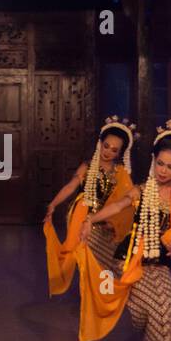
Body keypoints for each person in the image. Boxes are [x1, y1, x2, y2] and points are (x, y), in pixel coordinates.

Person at [75, 120, 171, 341]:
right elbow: (117, 206)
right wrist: (90, 219)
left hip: (160, 263)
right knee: (147, 306)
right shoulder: (142, 190)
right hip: (130, 259)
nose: (162, 170)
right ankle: (146, 338)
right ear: (154, 161)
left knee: (169, 306)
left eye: (170, 167)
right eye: (159, 163)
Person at [43, 116, 138, 296]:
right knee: (86, 257)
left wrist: (113, 222)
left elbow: (126, 203)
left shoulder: (121, 173)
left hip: (108, 221)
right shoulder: (87, 166)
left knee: (106, 259)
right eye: (106, 146)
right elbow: (71, 186)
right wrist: (53, 204)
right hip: (83, 217)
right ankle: (90, 295)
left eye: (114, 150)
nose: (108, 152)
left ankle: (105, 296)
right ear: (100, 143)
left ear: (120, 154)